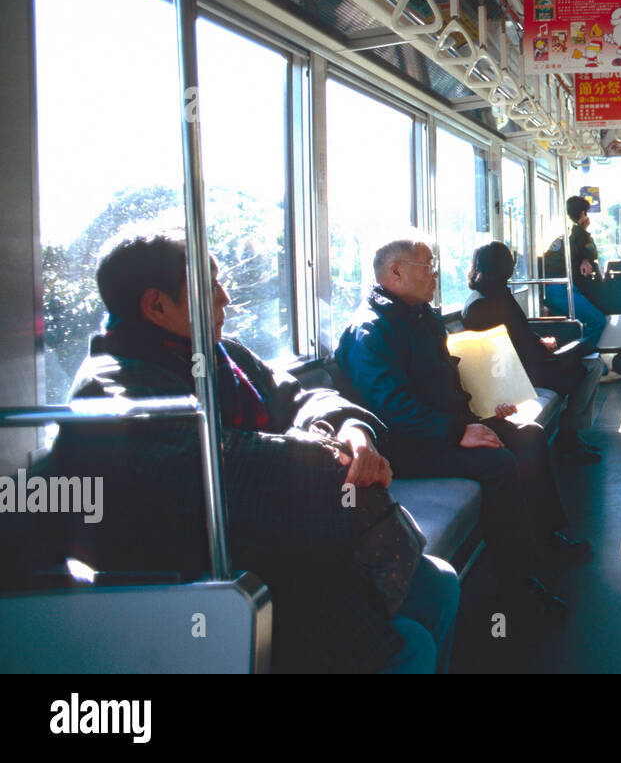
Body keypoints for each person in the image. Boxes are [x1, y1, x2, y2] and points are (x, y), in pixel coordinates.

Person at [48, 230, 459, 673]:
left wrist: (352, 428)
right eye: (208, 286)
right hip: (208, 583)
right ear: (156, 305)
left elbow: (298, 398)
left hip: (279, 550)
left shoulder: (224, 356)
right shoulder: (114, 390)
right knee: (411, 646)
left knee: (439, 586)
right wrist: (328, 454)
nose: (225, 297)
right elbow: (224, 468)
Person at [335, 233, 589, 623]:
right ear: (396, 271)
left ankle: (545, 537)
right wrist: (459, 433)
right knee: (498, 464)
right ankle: (515, 588)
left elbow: (448, 381)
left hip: (439, 428)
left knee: (528, 437)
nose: (435, 275)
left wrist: (484, 411)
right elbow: (392, 409)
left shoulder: (420, 318)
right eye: (427, 267)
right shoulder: (372, 331)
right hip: (401, 446)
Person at [462, 241, 603, 465]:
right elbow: (509, 347)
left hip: (526, 361)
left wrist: (540, 342)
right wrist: (541, 348)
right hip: (520, 371)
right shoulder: (484, 304)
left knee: (589, 360)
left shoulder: (493, 293)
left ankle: (572, 435)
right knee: (590, 366)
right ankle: (569, 437)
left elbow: (520, 332)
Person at [542, 195, 606, 353]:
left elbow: (576, 254)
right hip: (562, 290)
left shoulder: (563, 232)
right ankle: (586, 359)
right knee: (598, 320)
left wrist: (584, 259)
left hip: (551, 289)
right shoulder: (579, 232)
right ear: (583, 213)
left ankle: (582, 359)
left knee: (578, 325)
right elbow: (593, 252)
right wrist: (584, 231)